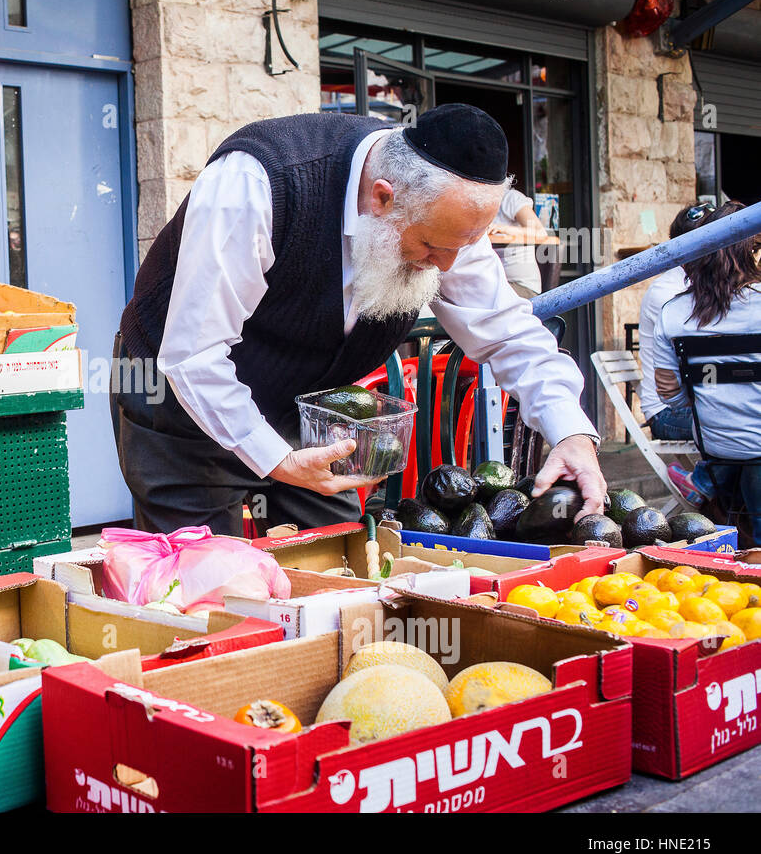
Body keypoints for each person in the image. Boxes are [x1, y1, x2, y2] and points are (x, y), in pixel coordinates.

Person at [112, 105, 604, 536]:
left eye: (463, 247)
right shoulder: (255, 182)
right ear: (383, 198)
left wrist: (570, 433)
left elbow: (506, 329)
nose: (448, 267)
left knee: (343, 569)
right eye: (433, 246)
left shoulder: (442, 212)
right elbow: (193, 353)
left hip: (310, 410)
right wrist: (279, 460)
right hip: (181, 398)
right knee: (203, 588)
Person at [644, 200, 761, 542]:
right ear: (750, 252)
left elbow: (672, 396)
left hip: (717, 444)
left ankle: (707, 488)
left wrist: (714, 400)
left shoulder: (675, 312)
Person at [637, 204, 706, 442]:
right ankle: (705, 479)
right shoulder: (669, 293)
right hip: (669, 413)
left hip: (702, 403)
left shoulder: (701, 285)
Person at [488, 187, 550, 298]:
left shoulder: (510, 198)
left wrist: (503, 229)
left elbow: (540, 232)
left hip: (520, 285)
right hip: (492, 282)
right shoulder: (477, 203)